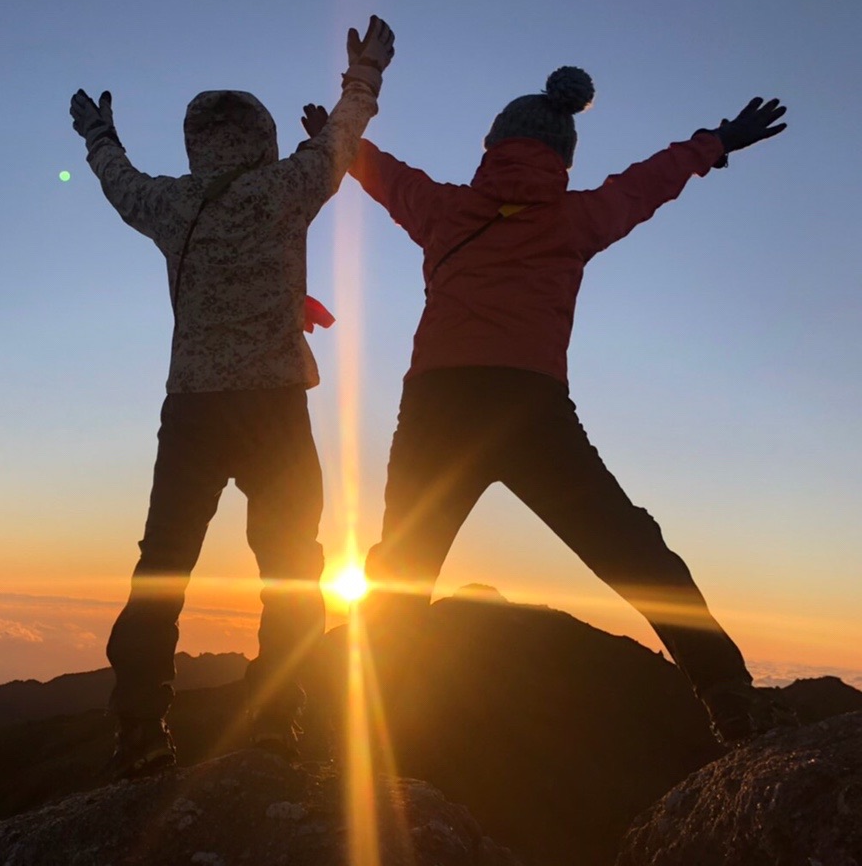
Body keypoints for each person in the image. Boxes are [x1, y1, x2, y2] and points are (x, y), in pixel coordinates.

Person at [302, 67, 789, 746]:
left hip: (439, 405)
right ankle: (730, 698)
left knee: (399, 577)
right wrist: (716, 141)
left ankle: (333, 735)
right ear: (563, 158)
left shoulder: (444, 210)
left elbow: (379, 171)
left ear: (490, 145)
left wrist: (334, 134)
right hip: (531, 407)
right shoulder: (576, 218)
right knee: (632, 551)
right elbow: (649, 182)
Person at [69, 16, 396, 778]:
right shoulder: (285, 188)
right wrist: (367, 71)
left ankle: (142, 735)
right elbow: (343, 137)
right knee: (291, 572)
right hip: (275, 408)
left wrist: (97, 133)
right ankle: (277, 725)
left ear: (194, 143)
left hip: (192, 411)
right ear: (263, 136)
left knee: (162, 569)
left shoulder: (171, 204)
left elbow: (117, 180)